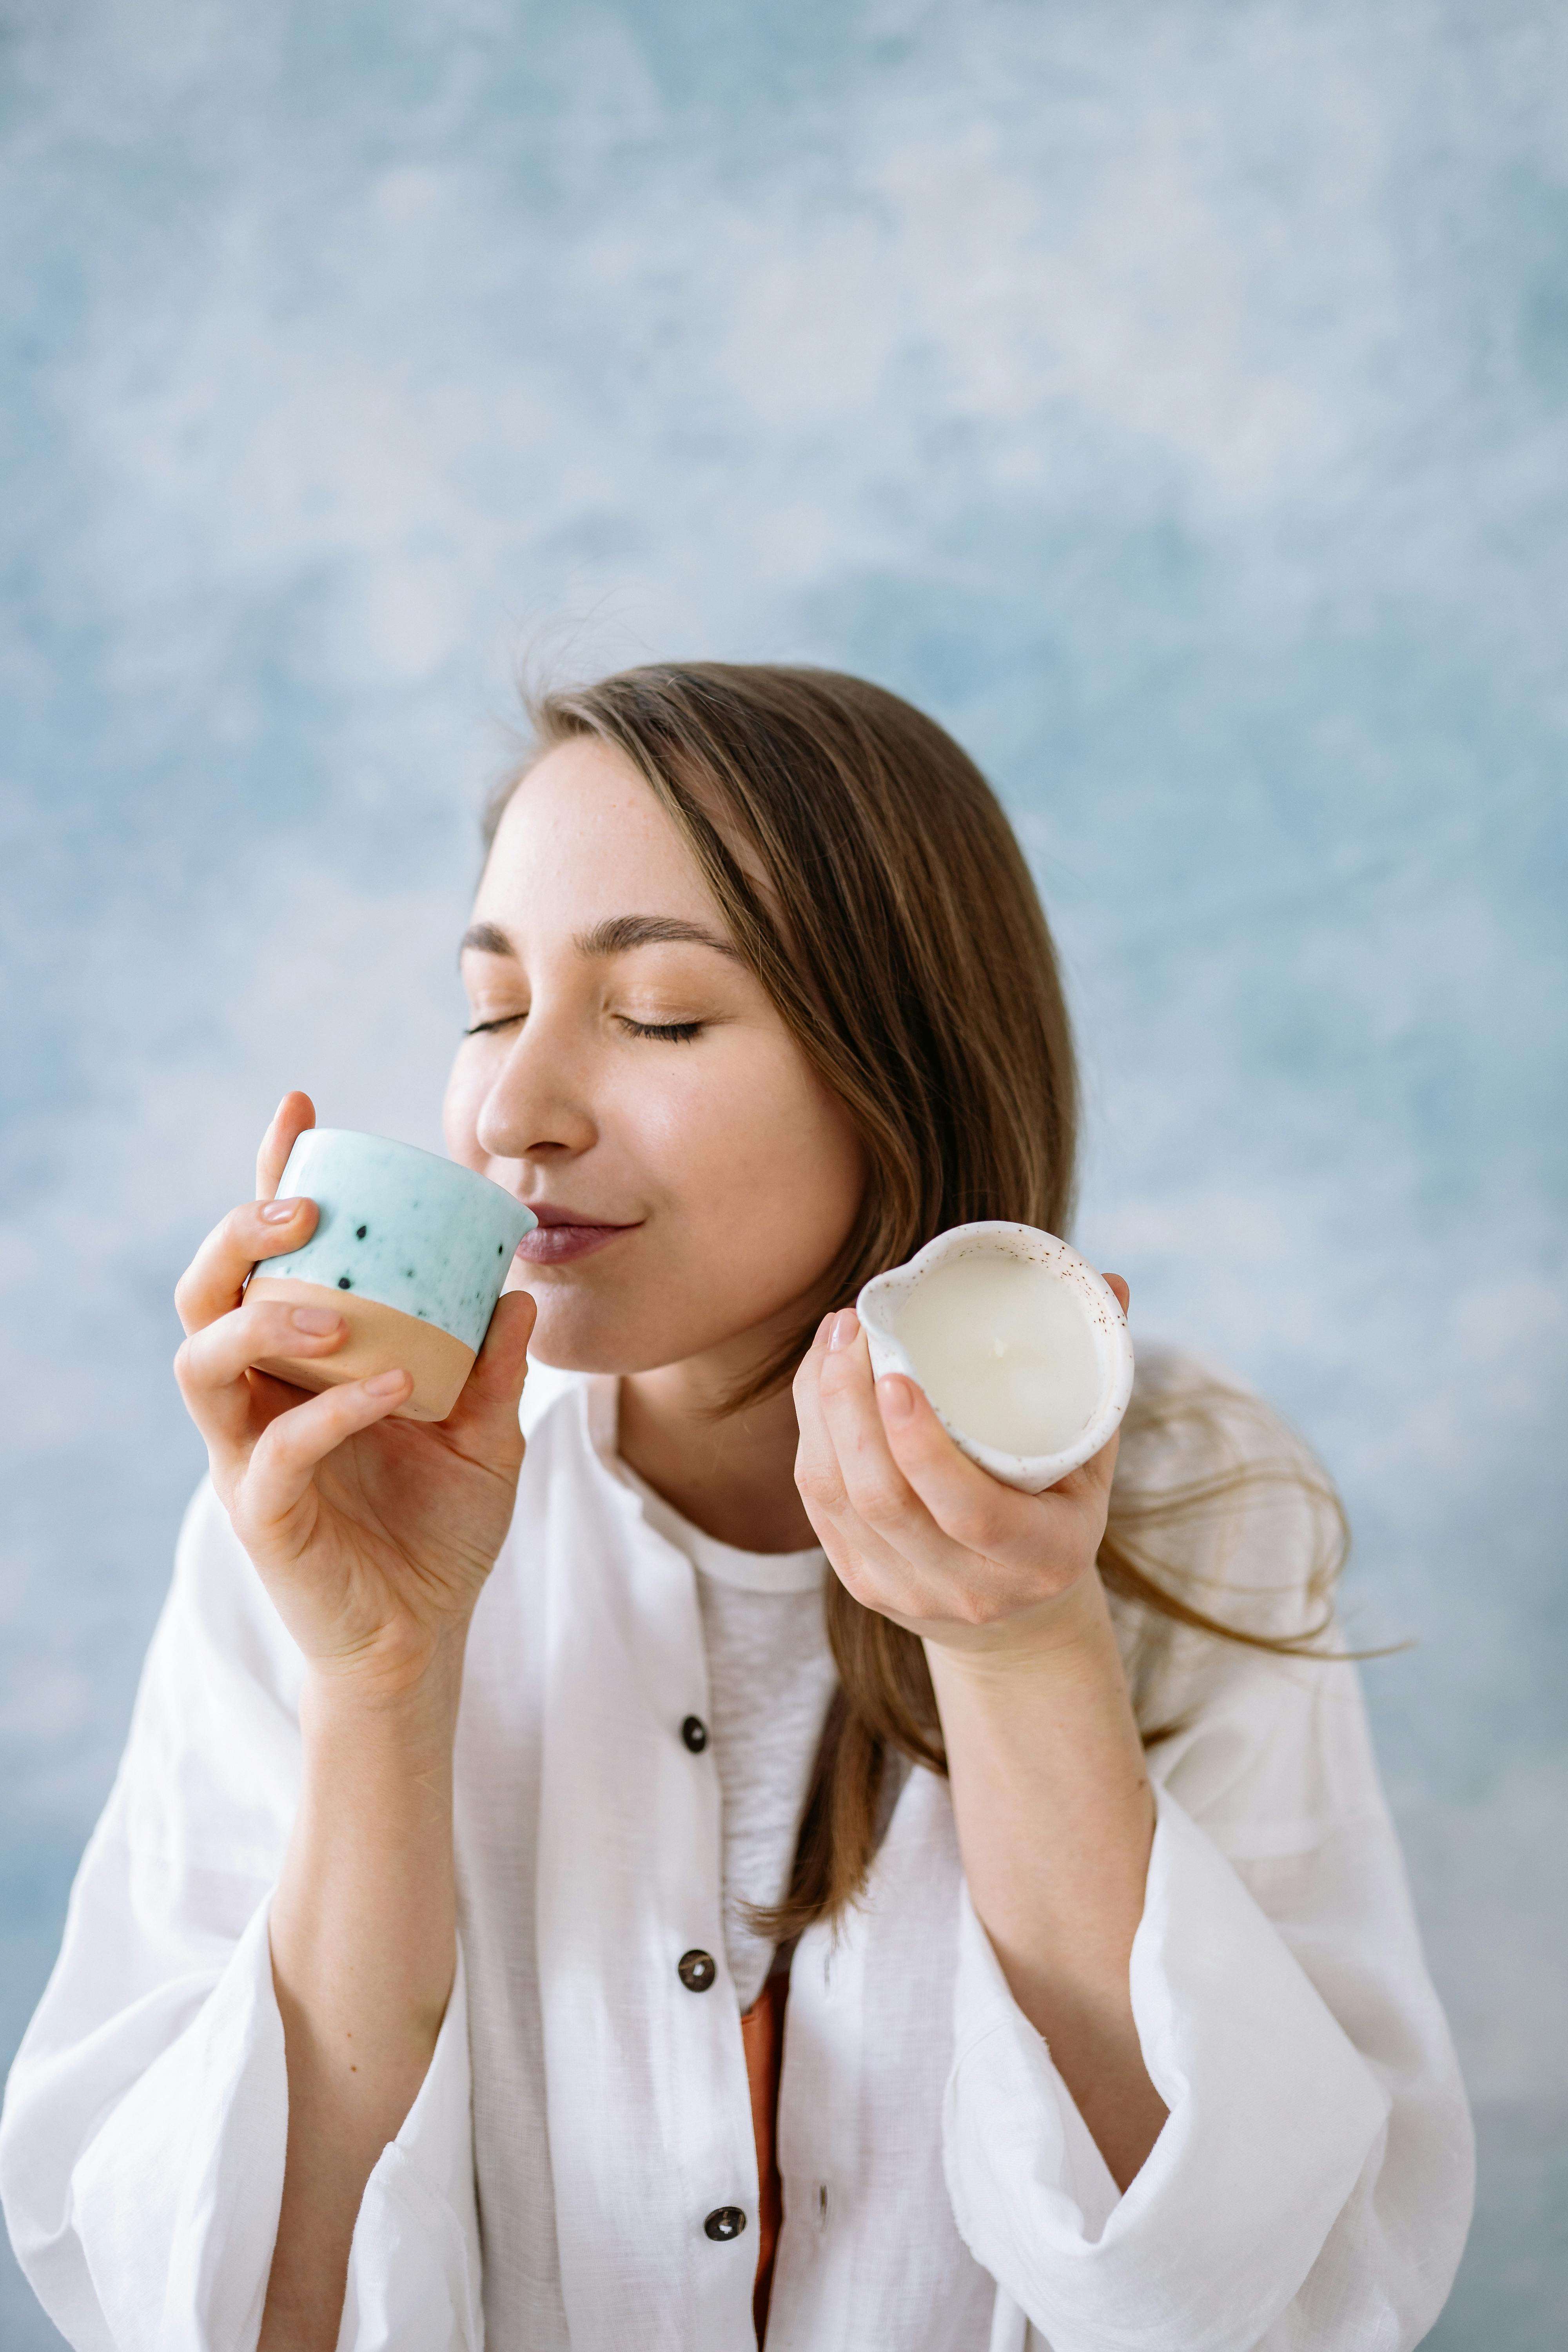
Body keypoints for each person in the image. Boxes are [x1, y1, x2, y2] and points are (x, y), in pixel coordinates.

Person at [0, 665, 1472, 2351]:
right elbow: (224, 2308)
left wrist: (1019, 1654)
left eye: (662, 1017)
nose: (511, 1114)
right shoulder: (325, 1496)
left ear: (901, 1065)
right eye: (491, 1008)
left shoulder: (1193, 1498)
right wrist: (381, 1685)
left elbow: (1273, 2304)